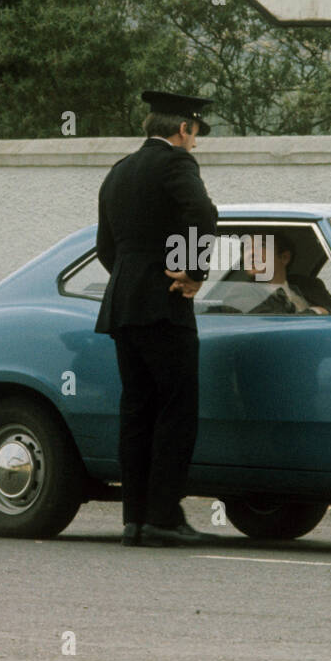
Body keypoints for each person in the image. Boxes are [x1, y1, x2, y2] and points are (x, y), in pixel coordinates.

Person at [96, 91, 219, 548]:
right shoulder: (177, 164)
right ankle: (163, 516)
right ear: (183, 129)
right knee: (175, 411)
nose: (196, 143)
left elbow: (107, 247)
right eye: (196, 133)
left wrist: (136, 277)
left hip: (123, 305)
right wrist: (190, 270)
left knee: (137, 410)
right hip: (164, 303)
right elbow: (203, 214)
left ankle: (135, 519)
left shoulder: (119, 170)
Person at [243, 231, 331, 315]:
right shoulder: (241, 293)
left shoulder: (309, 286)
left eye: (262, 246)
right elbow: (276, 328)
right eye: (247, 248)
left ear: (284, 258)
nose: (251, 253)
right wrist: (316, 312)